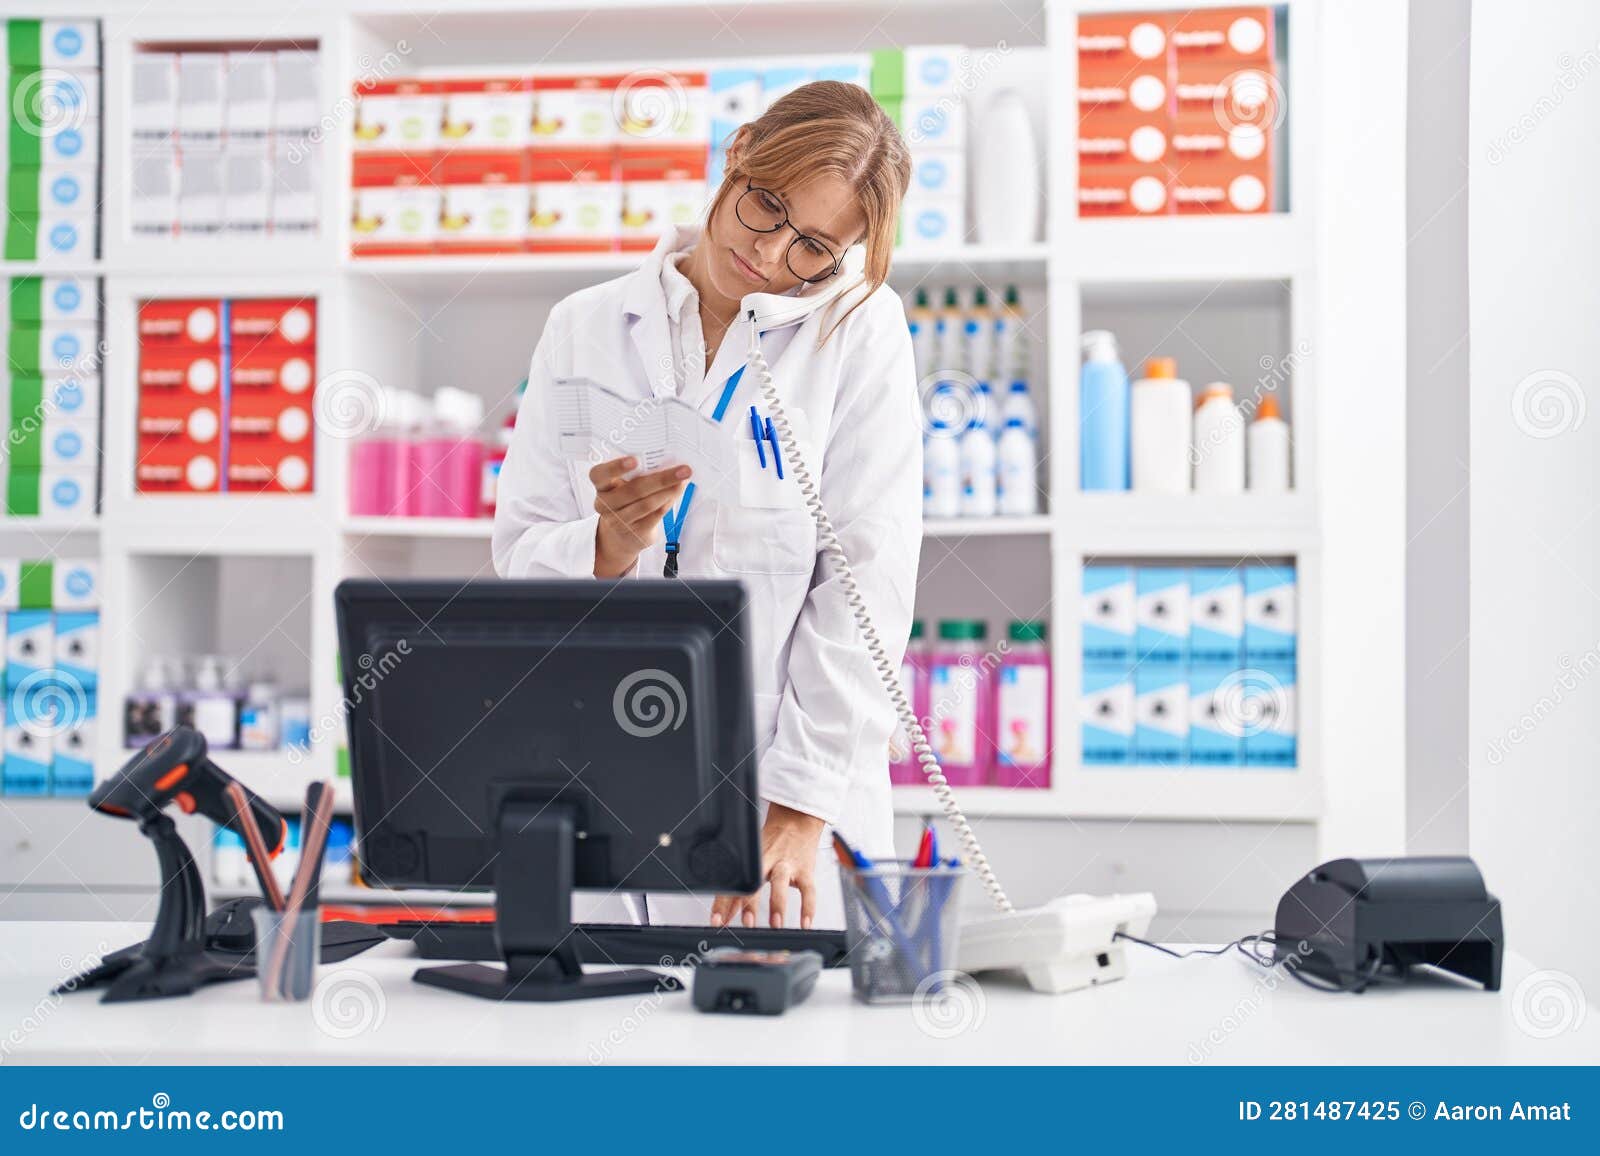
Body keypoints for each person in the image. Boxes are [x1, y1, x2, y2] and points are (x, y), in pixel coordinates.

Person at [493, 81, 921, 930]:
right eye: (768, 207)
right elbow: (520, 553)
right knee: (600, 1008)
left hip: (781, 810)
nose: (771, 254)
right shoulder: (583, 327)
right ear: (740, 151)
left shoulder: (859, 330)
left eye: (813, 246)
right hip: (600, 776)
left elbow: (865, 583)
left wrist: (800, 805)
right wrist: (606, 546)